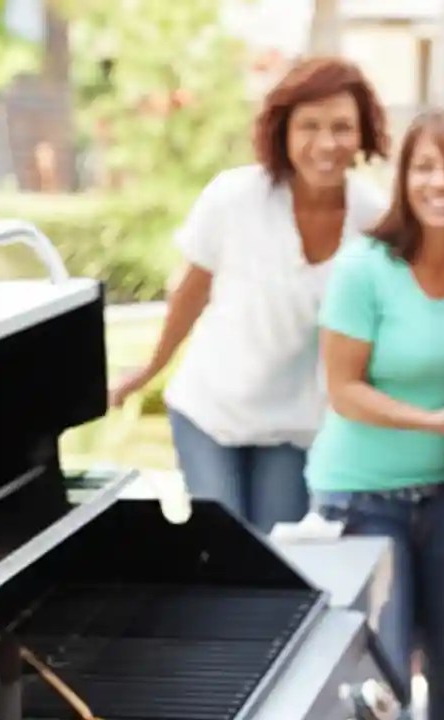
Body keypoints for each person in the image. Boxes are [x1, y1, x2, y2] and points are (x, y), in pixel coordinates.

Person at [108, 57, 390, 533]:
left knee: (277, 559)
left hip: (294, 424)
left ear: (363, 133)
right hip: (209, 411)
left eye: (342, 127)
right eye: (310, 127)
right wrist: (149, 370)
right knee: (227, 549)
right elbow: (190, 294)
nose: (326, 144)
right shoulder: (234, 197)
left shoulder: (374, 220)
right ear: (283, 131)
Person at [308, 108, 444, 720]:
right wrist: (437, 422)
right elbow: (343, 390)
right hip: (361, 498)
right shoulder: (364, 267)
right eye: (424, 167)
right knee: (384, 670)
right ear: (403, 179)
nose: (439, 183)